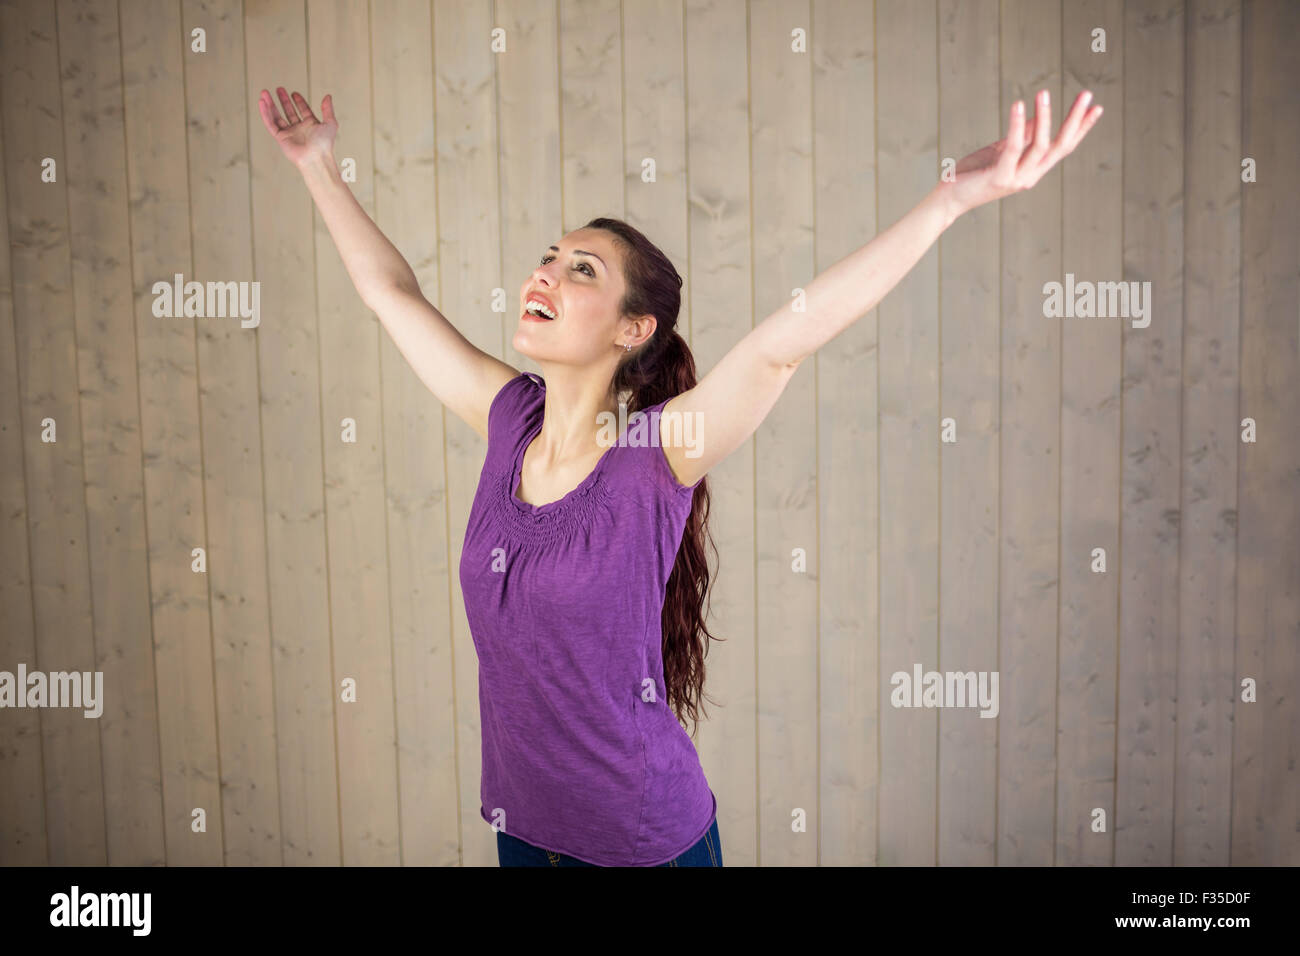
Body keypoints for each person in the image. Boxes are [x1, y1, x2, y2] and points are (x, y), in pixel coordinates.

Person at [257, 84, 1102, 867]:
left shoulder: (651, 458)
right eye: (550, 257)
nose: (545, 273)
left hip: (642, 843)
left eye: (582, 269)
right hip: (522, 831)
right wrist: (317, 165)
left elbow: (780, 347)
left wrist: (947, 200)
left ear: (633, 330)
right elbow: (392, 295)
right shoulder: (510, 421)